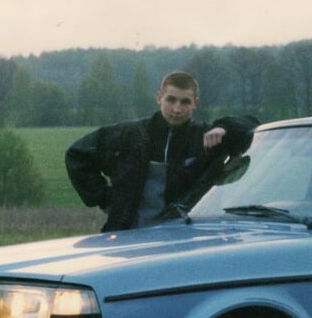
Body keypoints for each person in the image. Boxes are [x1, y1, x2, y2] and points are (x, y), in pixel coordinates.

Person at [65, 70, 257, 231]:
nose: (177, 108)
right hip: (125, 231)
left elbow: (253, 127)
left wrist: (225, 128)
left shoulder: (207, 138)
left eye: (185, 102)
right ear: (159, 98)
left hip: (184, 235)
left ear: (195, 104)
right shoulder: (129, 133)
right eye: (171, 100)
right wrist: (105, 199)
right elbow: (77, 154)